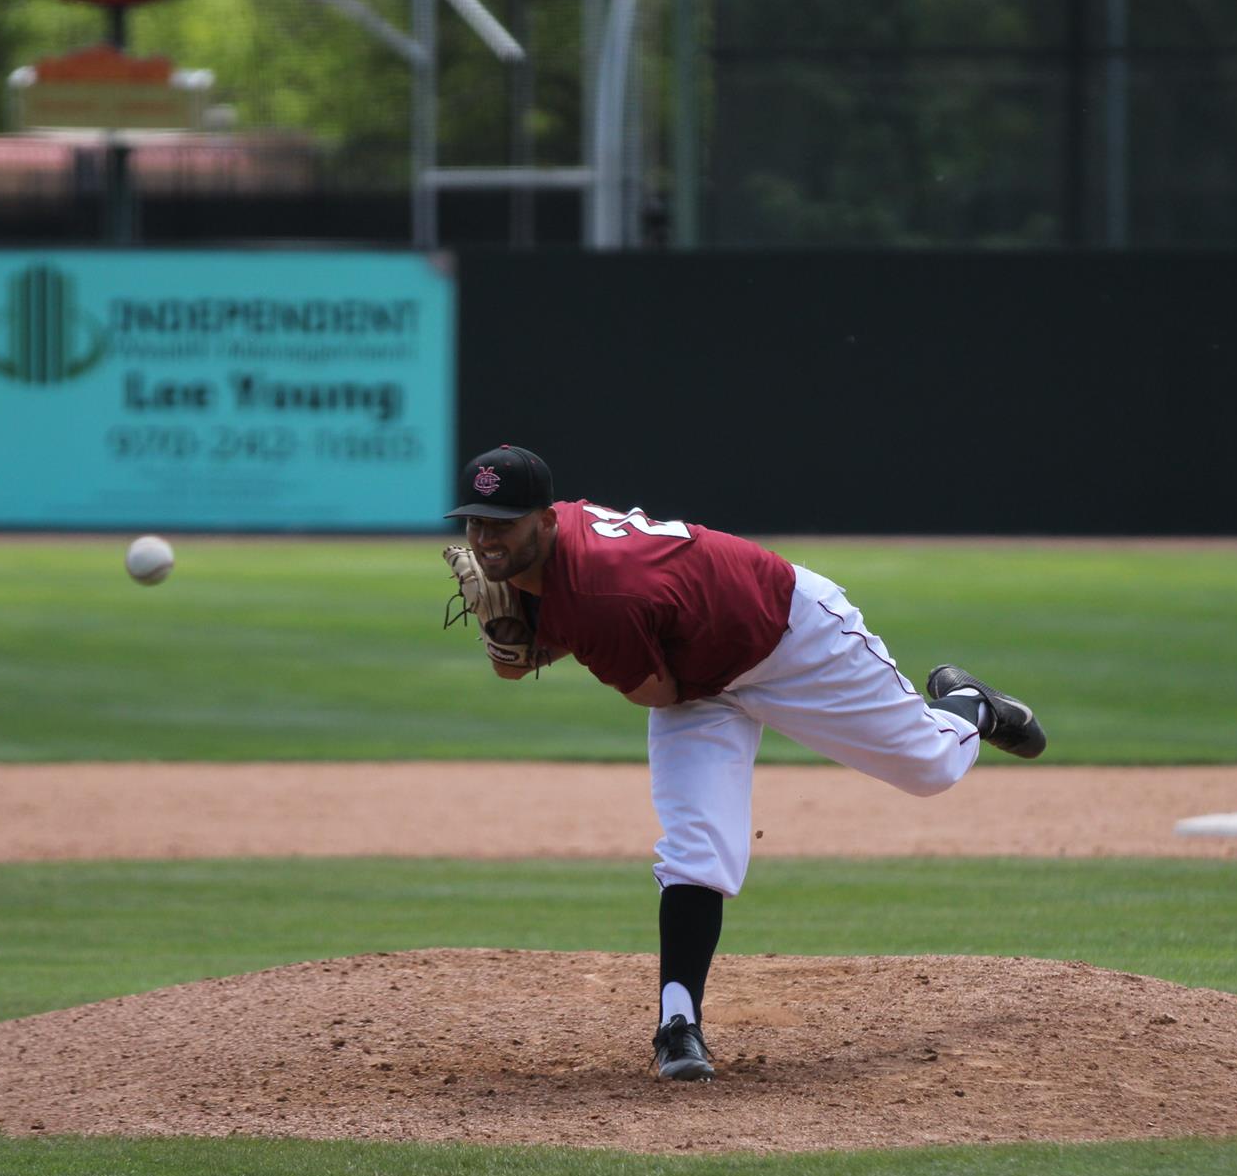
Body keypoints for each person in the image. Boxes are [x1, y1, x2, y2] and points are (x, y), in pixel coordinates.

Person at [442, 444, 1045, 1082]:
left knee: (929, 767)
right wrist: (537, 637)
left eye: (501, 522)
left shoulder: (598, 593)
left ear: (544, 520)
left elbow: (658, 692)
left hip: (790, 637)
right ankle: (679, 1025)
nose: (484, 539)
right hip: (700, 670)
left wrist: (536, 645)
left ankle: (971, 706)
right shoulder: (564, 562)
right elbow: (616, 646)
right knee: (697, 847)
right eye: (475, 521)